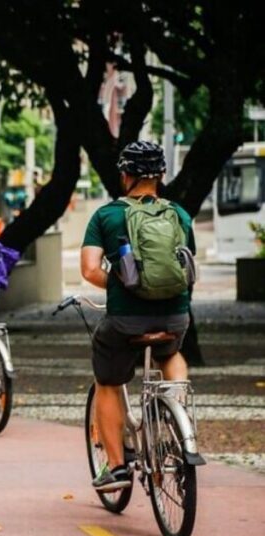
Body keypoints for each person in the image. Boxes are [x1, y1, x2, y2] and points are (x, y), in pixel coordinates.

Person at [81, 141, 196, 492]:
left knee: (108, 380)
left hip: (125, 321)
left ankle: (116, 467)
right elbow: (185, 266)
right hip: (175, 316)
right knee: (171, 353)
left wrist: (121, 288)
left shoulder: (107, 215)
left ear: (125, 174)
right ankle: (178, 421)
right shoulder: (179, 214)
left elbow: (89, 270)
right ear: (161, 175)